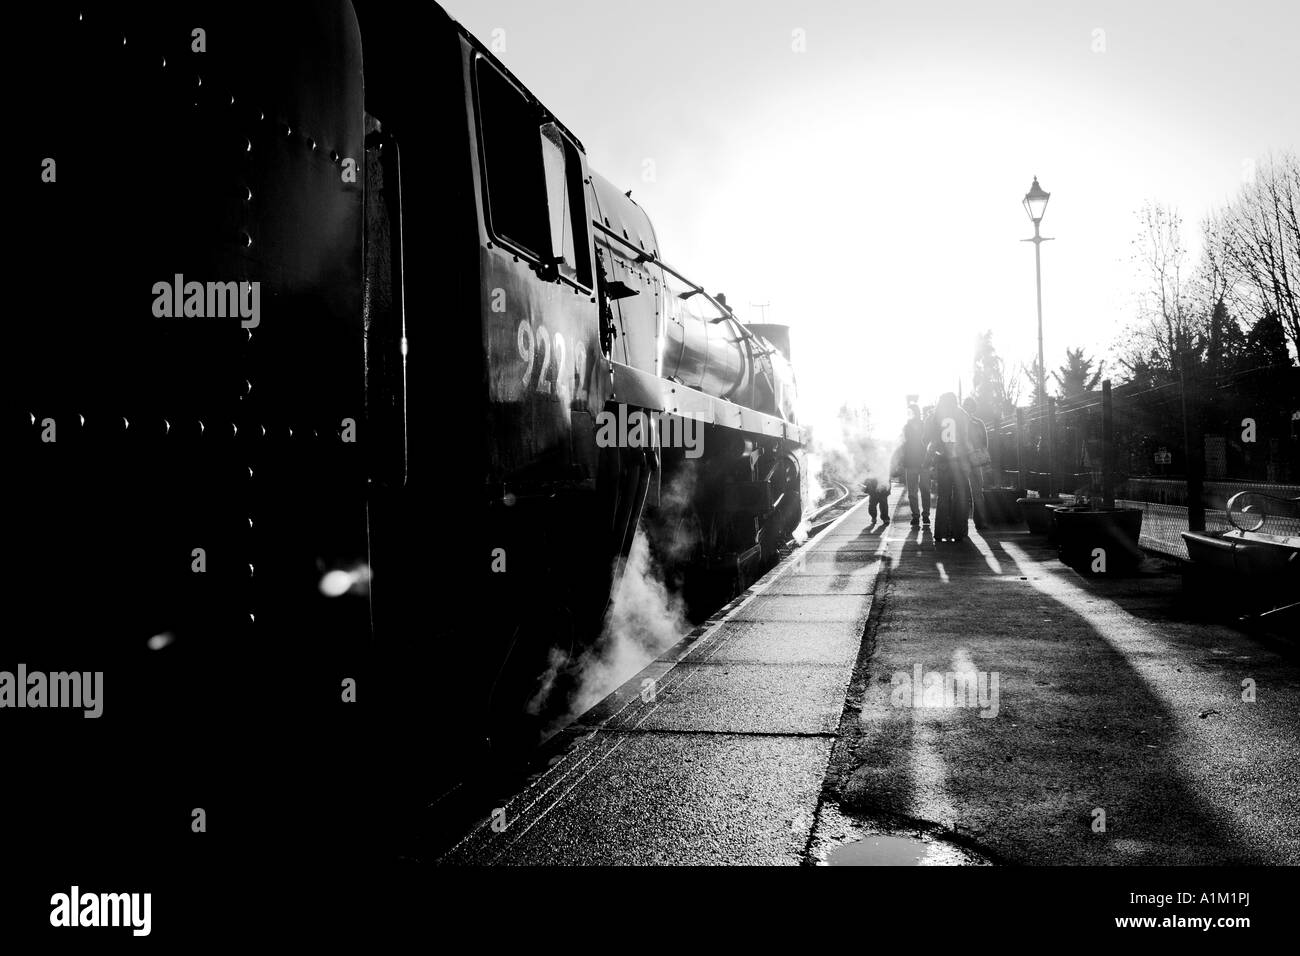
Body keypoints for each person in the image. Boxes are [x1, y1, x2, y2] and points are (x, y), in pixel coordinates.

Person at [924, 392, 972, 542]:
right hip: (959, 461)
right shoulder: (962, 414)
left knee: (943, 497)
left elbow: (926, 439)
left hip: (942, 461)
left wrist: (930, 457)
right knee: (960, 496)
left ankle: (940, 532)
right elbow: (966, 437)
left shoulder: (934, 416)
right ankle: (959, 532)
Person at [899, 405, 930, 528]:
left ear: (917, 412)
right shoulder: (906, 427)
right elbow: (903, 444)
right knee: (912, 492)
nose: (911, 414)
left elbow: (929, 442)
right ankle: (916, 516)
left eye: (912, 412)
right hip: (910, 463)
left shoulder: (925, 426)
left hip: (924, 462)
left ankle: (926, 514)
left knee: (925, 490)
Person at [962, 397, 990, 531]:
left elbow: (985, 442)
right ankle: (980, 522)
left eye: (969, 406)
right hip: (970, 461)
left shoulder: (974, 423)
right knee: (976, 492)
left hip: (966, 461)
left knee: (973, 492)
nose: (968, 409)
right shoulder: (979, 423)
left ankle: (974, 522)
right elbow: (985, 442)